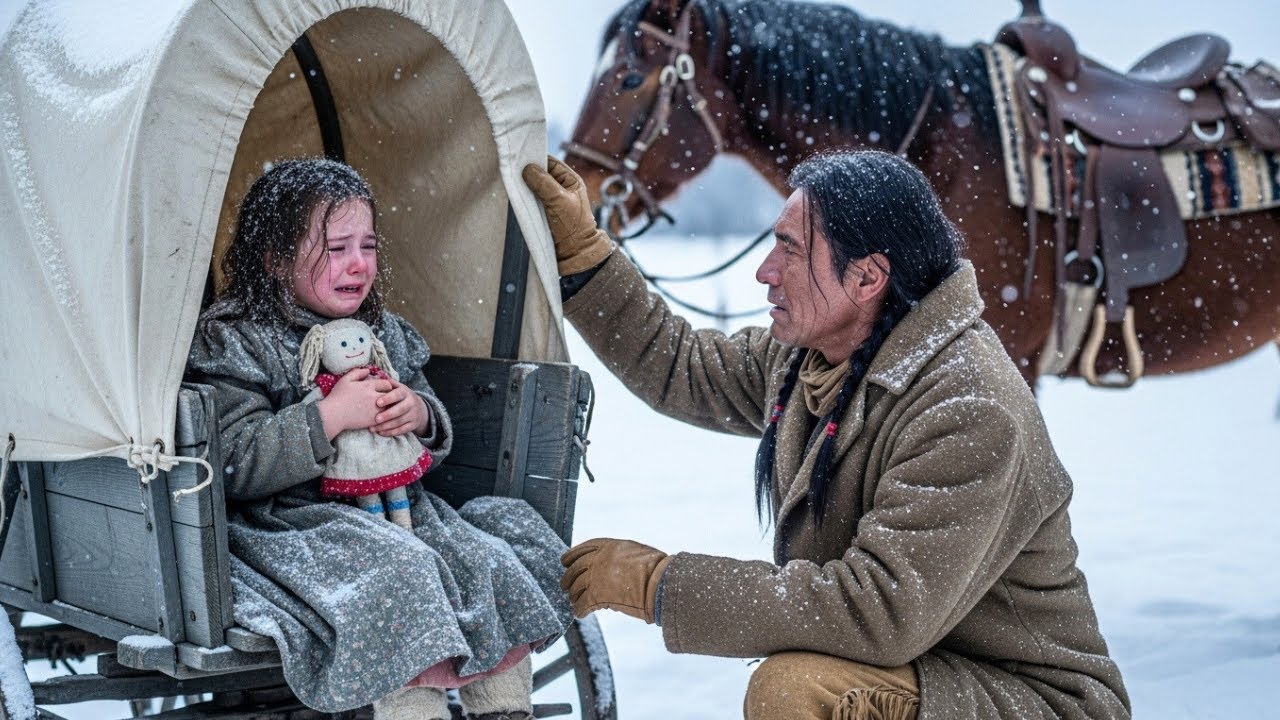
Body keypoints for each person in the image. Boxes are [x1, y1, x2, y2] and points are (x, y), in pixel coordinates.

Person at [522, 151, 1130, 720]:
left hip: (1026, 699)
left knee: (794, 690)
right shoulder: (819, 356)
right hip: (922, 666)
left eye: (789, 250)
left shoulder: (969, 409)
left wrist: (657, 583)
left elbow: (877, 608)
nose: (766, 271)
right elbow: (681, 366)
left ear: (867, 279)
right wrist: (583, 253)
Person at [186, 158, 570, 720]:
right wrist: (329, 417)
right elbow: (238, 464)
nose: (358, 264)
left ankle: (505, 711)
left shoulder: (381, 332)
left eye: (367, 246)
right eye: (336, 248)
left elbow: (431, 425)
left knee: (490, 555)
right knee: (402, 577)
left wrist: (417, 414)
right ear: (274, 259)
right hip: (293, 524)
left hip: (401, 511)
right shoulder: (238, 339)